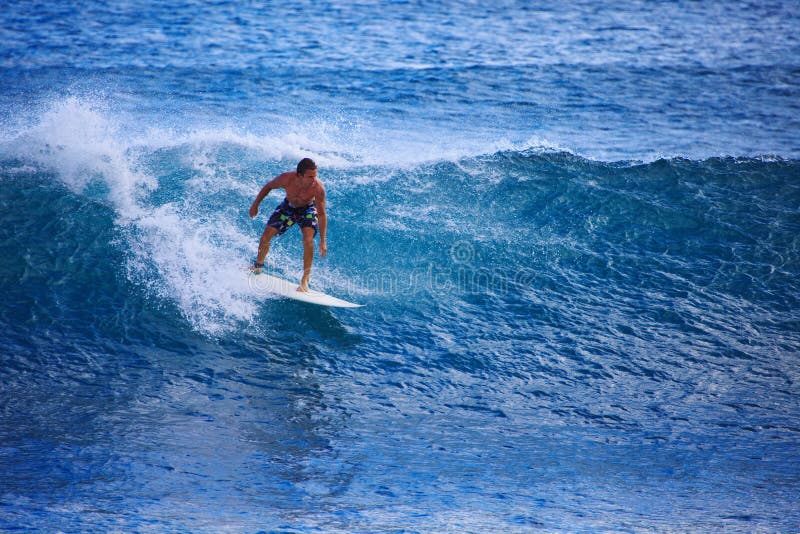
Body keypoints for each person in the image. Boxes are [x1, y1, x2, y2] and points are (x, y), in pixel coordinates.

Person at [249, 158, 327, 292]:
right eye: (310, 177)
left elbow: (321, 214)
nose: (313, 180)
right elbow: (268, 187)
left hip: (307, 209)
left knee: (308, 239)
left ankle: (305, 280)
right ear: (299, 175)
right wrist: (255, 205)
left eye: (315, 176)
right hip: (288, 207)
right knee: (266, 236)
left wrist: (322, 241)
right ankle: (258, 266)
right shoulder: (286, 179)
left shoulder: (318, 189)